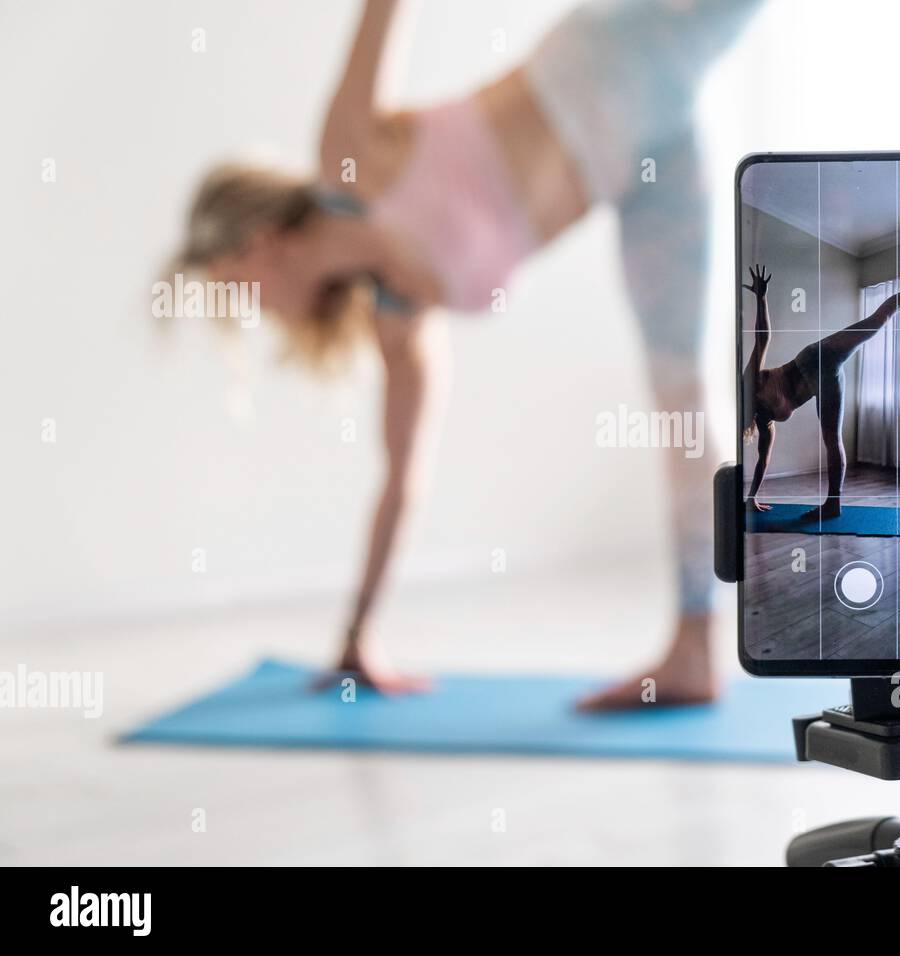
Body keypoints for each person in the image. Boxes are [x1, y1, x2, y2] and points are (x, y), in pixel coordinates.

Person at [170, 0, 763, 703]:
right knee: (682, 402)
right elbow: (401, 475)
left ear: (253, 242)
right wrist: (358, 635)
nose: (247, 310)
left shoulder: (350, 153)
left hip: (604, 67)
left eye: (231, 287)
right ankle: (695, 647)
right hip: (649, 167)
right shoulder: (398, 311)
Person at [742, 266, 900, 519]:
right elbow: (763, 460)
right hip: (824, 382)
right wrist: (752, 498)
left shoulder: (749, 385)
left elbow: (762, 339)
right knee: (833, 439)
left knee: (874, 323)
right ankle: (833, 504)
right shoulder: (764, 421)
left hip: (814, 358)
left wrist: (761, 299)